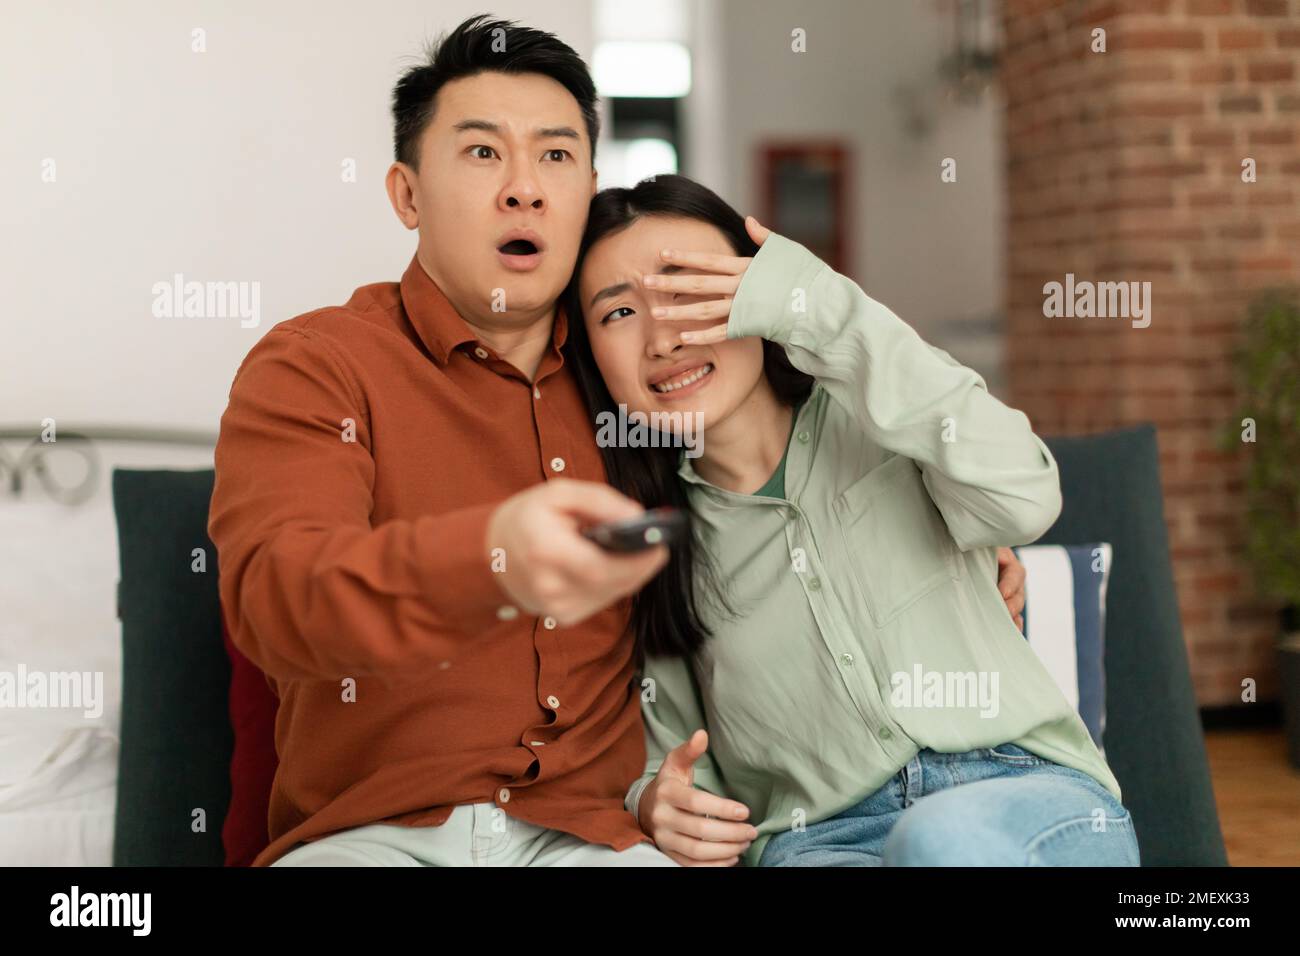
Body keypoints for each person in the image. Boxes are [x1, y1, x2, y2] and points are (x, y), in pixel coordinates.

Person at [209, 14, 1027, 868]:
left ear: (589, 184)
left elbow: (770, 514)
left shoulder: (643, 378)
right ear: (407, 193)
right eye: (483, 153)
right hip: (376, 838)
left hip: (593, 841)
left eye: (556, 156)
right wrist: (488, 558)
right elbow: (278, 597)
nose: (524, 188)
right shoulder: (316, 365)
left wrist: (946, 553)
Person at [564, 174, 1140, 867]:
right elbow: (672, 754)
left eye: (689, 288)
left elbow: (1025, 497)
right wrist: (657, 800)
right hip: (821, 843)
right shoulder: (650, 546)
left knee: (942, 842)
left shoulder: (888, 414)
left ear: (760, 293)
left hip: (1022, 795)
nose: (663, 336)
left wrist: (821, 305)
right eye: (619, 314)